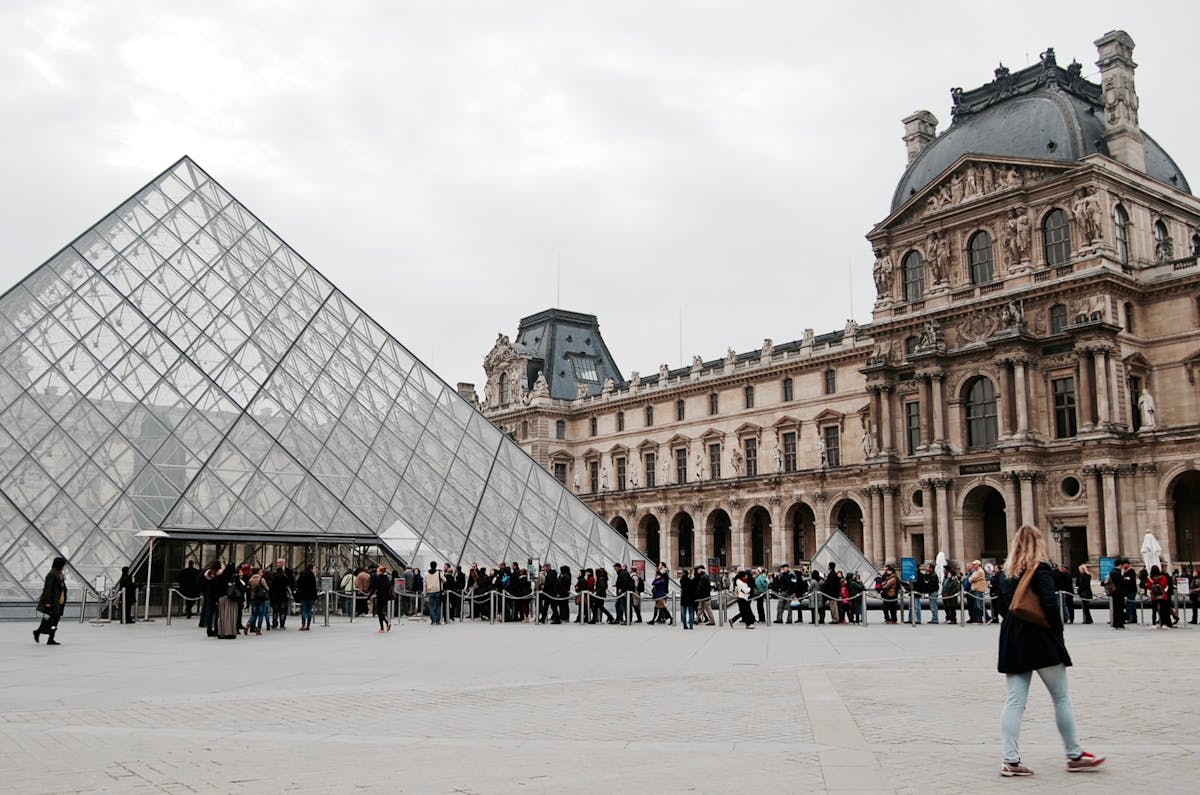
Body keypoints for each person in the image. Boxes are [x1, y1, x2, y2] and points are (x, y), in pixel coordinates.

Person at [995, 525, 1105, 776]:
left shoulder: (1005, 573)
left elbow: (1003, 606)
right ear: (1038, 544)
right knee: (1061, 698)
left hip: (1013, 636)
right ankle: (1074, 754)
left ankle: (1010, 760)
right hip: (1040, 635)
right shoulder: (1040, 568)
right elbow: (1048, 602)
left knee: (1014, 701)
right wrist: (1057, 630)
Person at [34, 556, 68, 646]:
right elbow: (47, 589)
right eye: (63, 565)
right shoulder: (52, 575)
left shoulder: (59, 574)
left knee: (51, 620)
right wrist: (48, 603)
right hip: (53, 603)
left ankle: (42, 634)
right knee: (52, 621)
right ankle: (48, 637)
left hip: (59, 602)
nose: (64, 566)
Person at [269, 560, 293, 630]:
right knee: (282, 611)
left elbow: (271, 587)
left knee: (275, 611)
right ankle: (282, 624)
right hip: (283, 596)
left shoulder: (274, 577)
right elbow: (288, 585)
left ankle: (274, 624)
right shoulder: (285, 578)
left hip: (275, 596)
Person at [246, 566, 270, 635]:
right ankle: (258, 630)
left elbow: (249, 589)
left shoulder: (250, 580)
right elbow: (267, 588)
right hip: (261, 599)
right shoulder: (262, 580)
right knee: (261, 615)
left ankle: (247, 626)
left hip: (253, 599)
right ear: (258, 572)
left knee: (253, 614)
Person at [295, 563, 318, 630]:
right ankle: (308, 625)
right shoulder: (312, 576)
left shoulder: (302, 574)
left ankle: (303, 624)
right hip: (310, 596)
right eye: (314, 568)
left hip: (303, 595)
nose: (315, 570)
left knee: (303, 610)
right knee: (309, 611)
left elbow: (298, 583)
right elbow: (314, 587)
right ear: (311, 569)